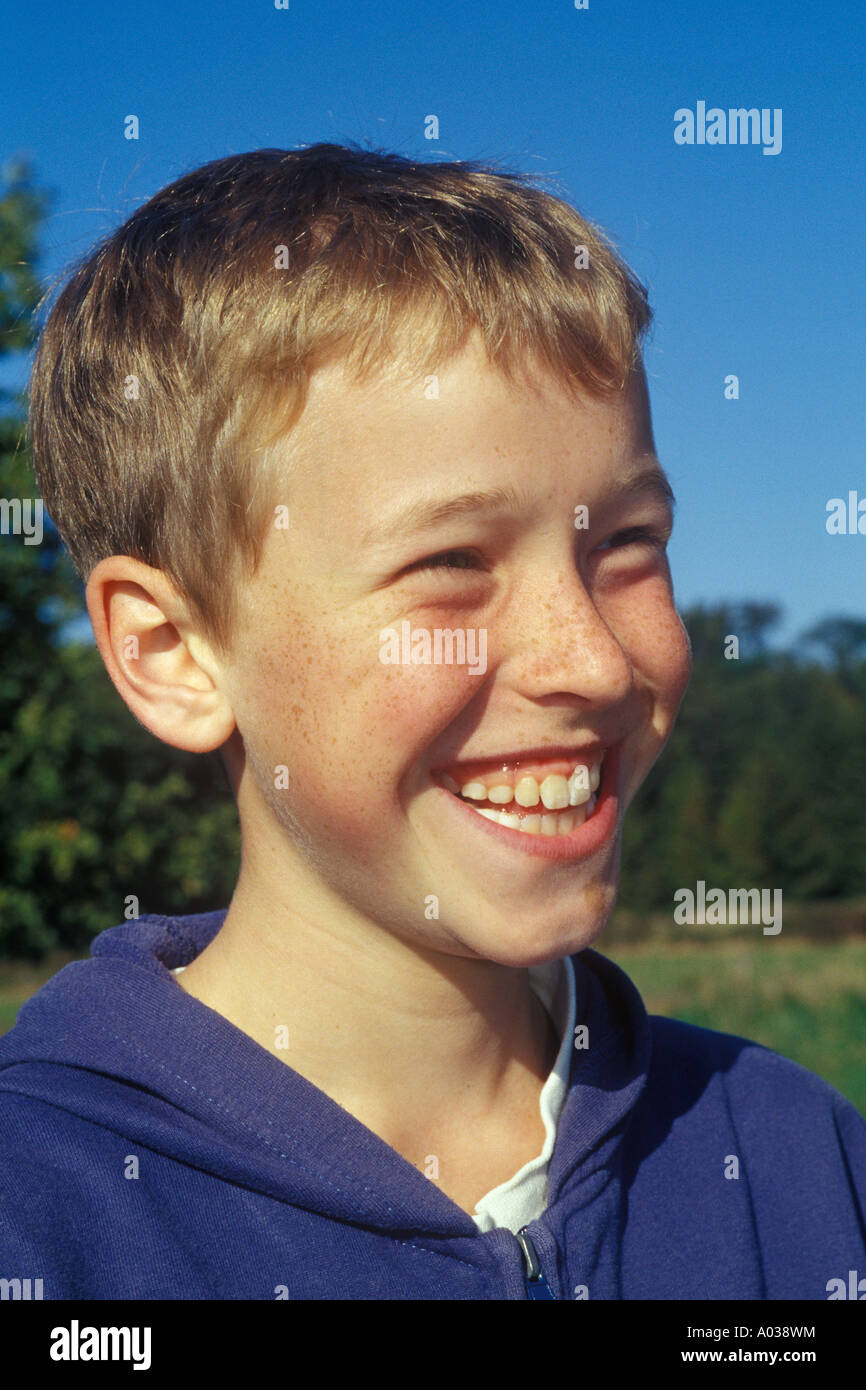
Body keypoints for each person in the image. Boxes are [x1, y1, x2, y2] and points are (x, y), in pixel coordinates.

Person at [1, 144, 863, 1300]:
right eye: (450, 561)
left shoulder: (797, 1162)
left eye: (625, 544)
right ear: (174, 653)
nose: (591, 659)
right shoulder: (44, 1219)